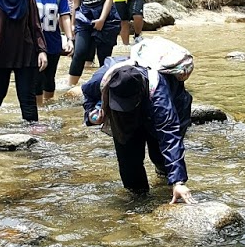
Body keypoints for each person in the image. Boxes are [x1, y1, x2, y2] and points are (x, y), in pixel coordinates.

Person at [82, 58, 194, 203]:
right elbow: (88, 94)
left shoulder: (160, 95)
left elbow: (170, 136)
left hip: (165, 106)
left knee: (160, 155)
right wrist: (91, 113)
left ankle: (165, 180)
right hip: (121, 116)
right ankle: (137, 198)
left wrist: (178, 182)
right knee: (129, 162)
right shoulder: (101, 79)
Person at [28, 0, 72, 114]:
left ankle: (48, 109)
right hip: (32, 43)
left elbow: (65, 16)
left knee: (49, 77)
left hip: (52, 41)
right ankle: (38, 109)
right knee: (36, 78)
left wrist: (69, 39)